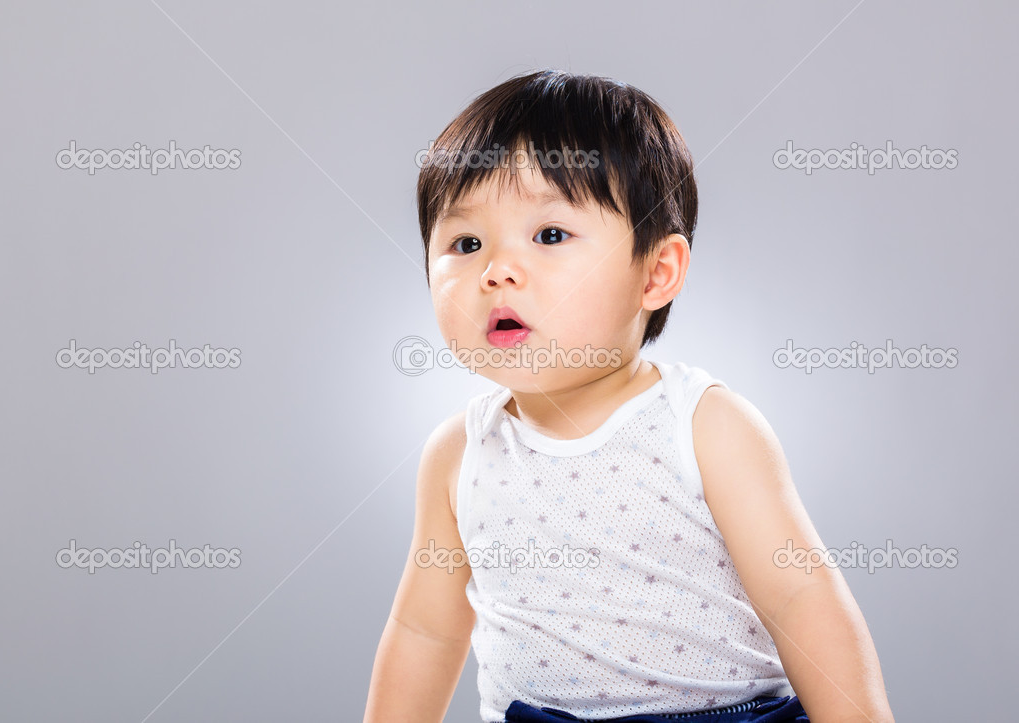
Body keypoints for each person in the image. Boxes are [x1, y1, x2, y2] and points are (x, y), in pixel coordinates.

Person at [364, 70, 894, 723]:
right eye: (465, 243)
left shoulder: (703, 424)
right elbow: (425, 629)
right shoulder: (458, 454)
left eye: (550, 235)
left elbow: (799, 598)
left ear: (656, 272)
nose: (497, 269)